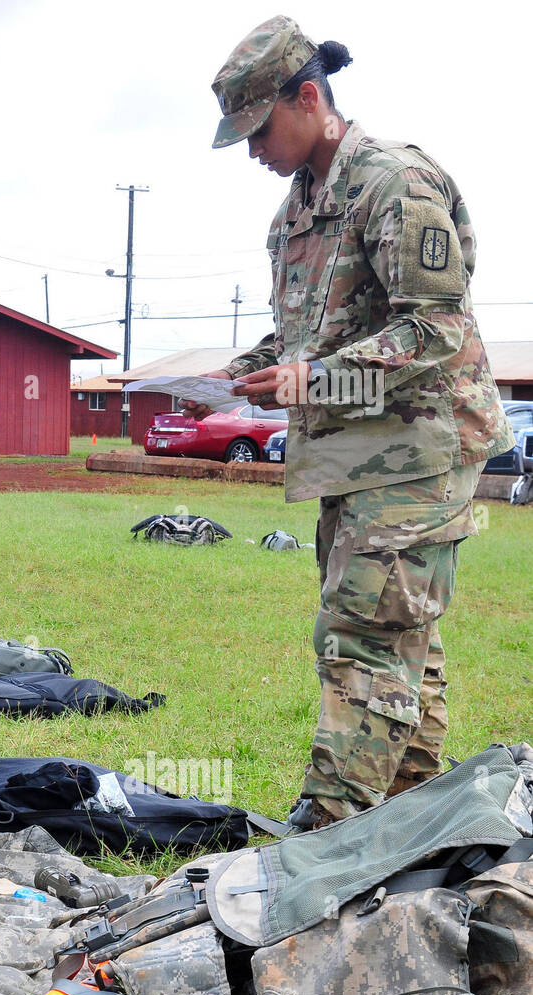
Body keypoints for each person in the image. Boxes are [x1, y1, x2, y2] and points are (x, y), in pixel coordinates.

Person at [183, 17, 513, 830]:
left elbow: (433, 328)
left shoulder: (393, 182)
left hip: (417, 451)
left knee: (364, 636)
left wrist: (312, 378)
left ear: (309, 98)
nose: (254, 150)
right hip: (352, 458)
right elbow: (308, 336)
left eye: (260, 128)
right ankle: (414, 823)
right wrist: (232, 377)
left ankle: (325, 833)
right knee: (405, 642)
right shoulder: (294, 213)